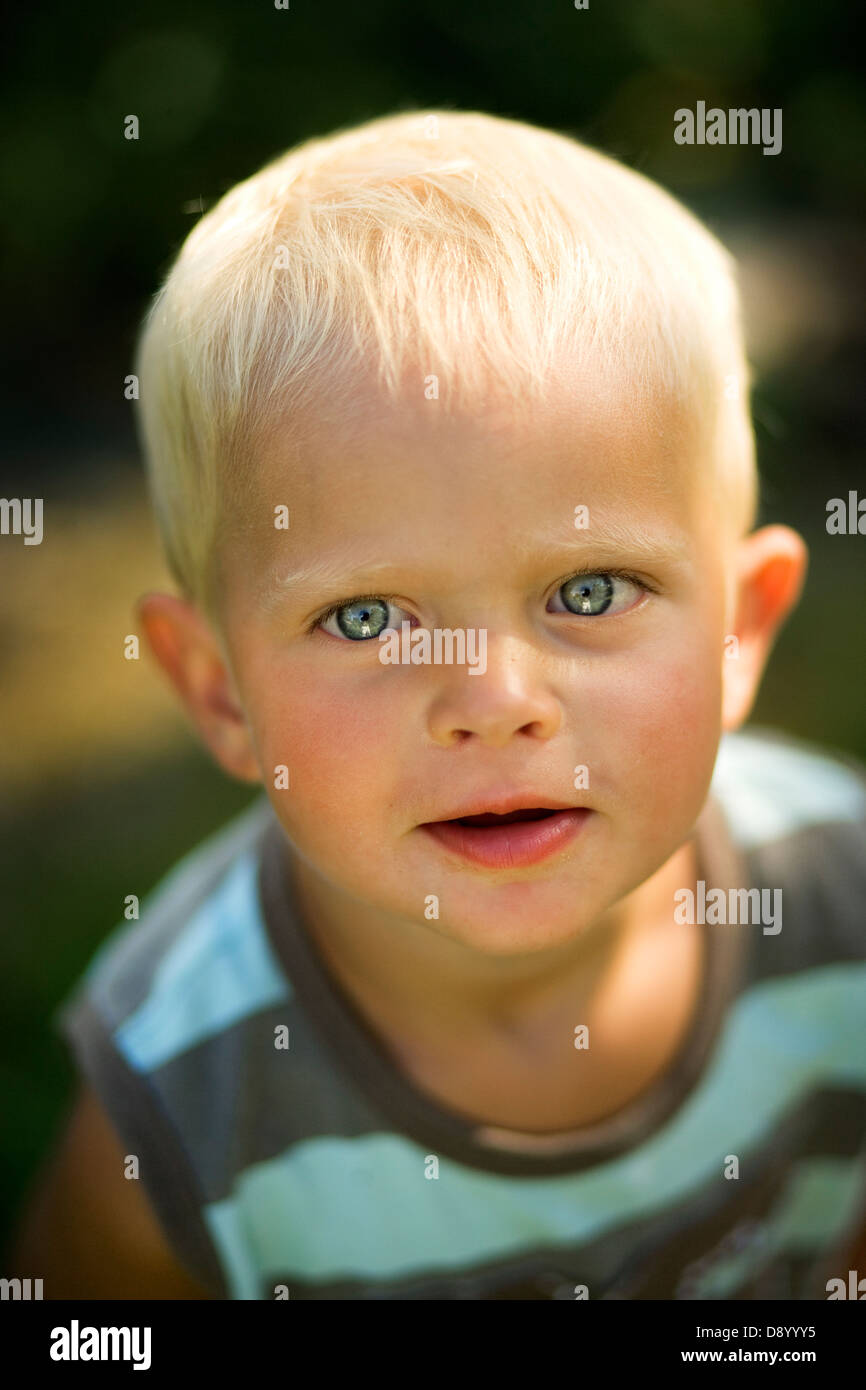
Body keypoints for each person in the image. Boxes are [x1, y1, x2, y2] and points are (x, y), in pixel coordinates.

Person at [9, 108, 866, 1300]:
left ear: (736, 631)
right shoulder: (182, 1101)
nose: (496, 701)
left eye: (588, 590)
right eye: (367, 617)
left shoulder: (839, 901)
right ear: (219, 691)